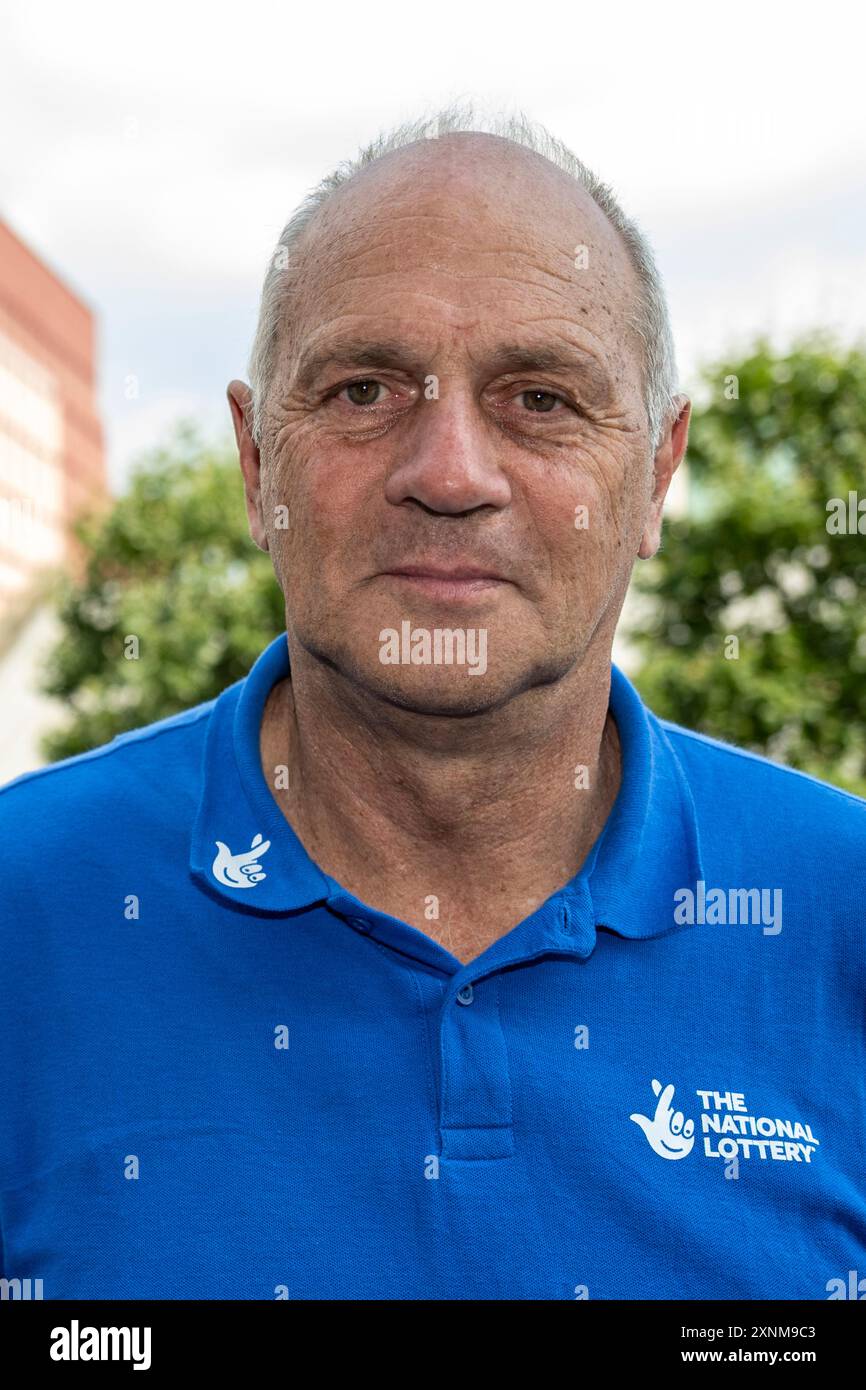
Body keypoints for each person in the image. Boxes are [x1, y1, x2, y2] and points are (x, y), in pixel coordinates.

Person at [1, 106, 864, 1301]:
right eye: (363, 390)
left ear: (656, 475)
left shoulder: (838, 913)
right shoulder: (22, 909)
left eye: (540, 397)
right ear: (258, 467)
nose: (449, 472)